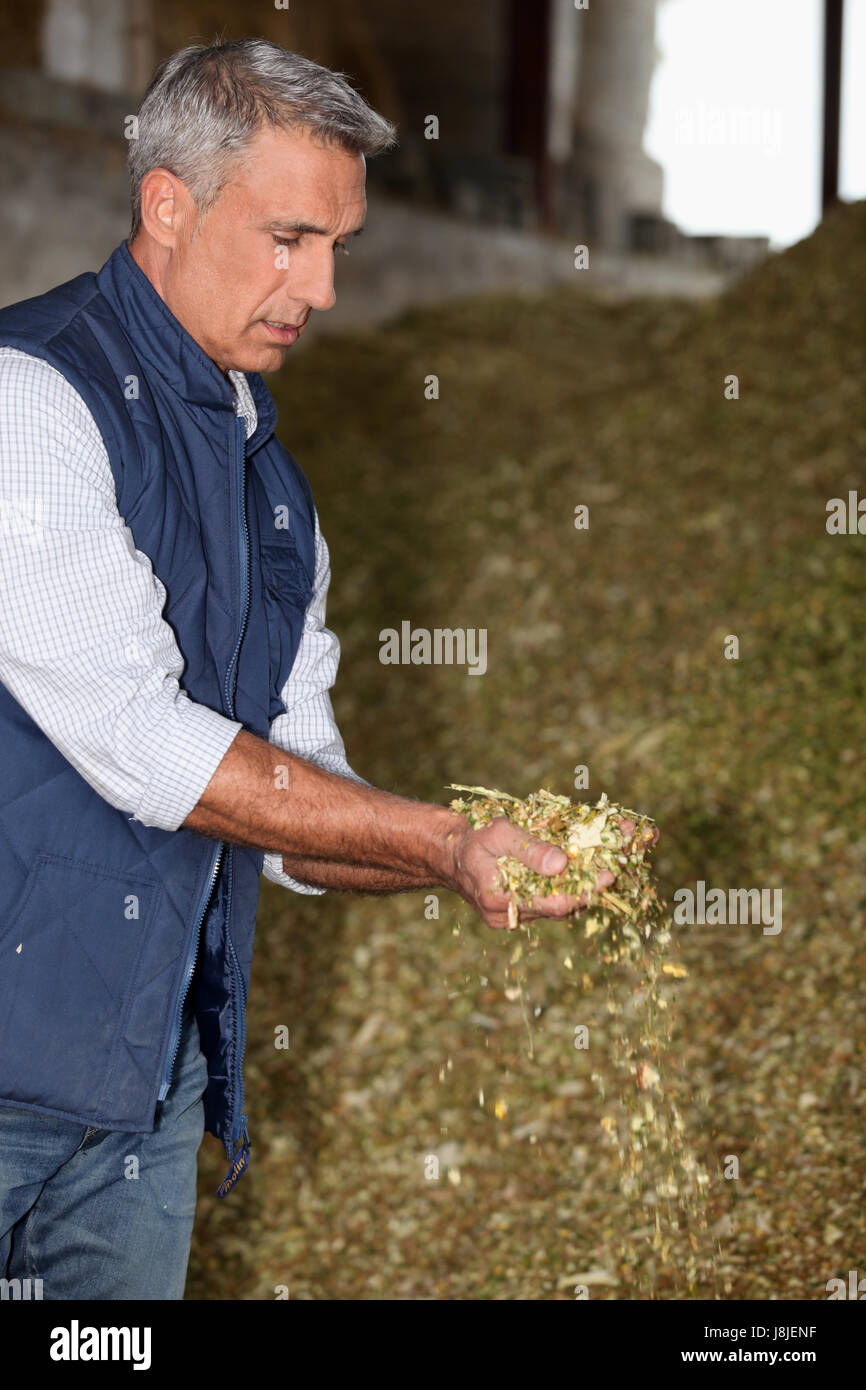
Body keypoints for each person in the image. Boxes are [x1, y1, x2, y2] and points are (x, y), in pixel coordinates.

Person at [0, 38, 643, 1300]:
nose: (325, 287)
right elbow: (142, 739)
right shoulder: (32, 401)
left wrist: (465, 852)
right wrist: (432, 840)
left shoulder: (275, 495)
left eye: (338, 246)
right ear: (167, 205)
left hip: (147, 1095)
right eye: (291, 236)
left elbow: (298, 810)